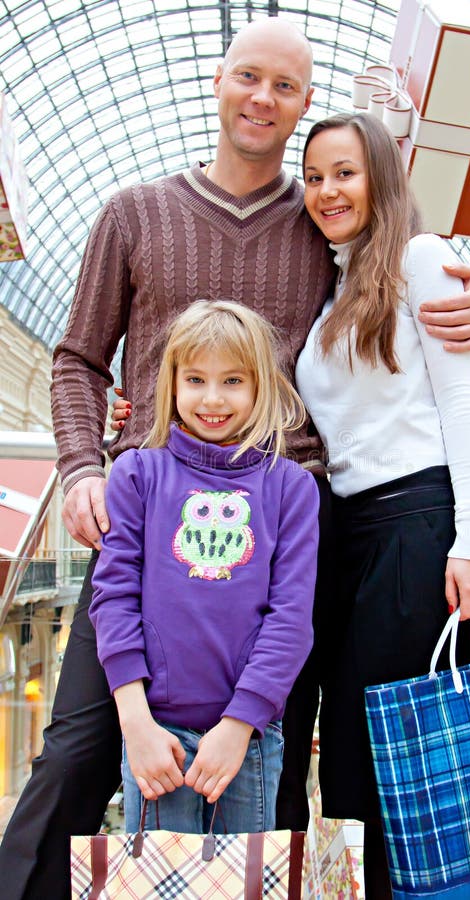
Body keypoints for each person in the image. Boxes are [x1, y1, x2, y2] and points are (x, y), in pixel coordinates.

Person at [0, 17, 470, 900]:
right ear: (219, 81)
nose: (263, 99)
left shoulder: (321, 227)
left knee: (272, 760)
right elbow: (78, 359)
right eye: (248, 77)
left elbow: (395, 274)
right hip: (147, 517)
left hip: (285, 527)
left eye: (286, 87)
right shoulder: (133, 213)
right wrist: (81, 466)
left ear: (305, 105)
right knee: (79, 748)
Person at [294, 112, 470, 899]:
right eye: (314, 176)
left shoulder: (421, 258)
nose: (327, 191)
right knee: (347, 752)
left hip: (416, 527)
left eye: (344, 172)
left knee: (398, 759)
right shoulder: (335, 287)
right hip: (347, 535)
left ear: (381, 174)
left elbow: (461, 405)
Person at [88, 299, 318, 834]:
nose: (212, 399)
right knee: (155, 878)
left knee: (241, 877)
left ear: (261, 386)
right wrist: (135, 723)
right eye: (195, 379)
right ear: (172, 384)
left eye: (233, 380)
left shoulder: (291, 489)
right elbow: (113, 599)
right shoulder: (137, 475)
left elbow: (290, 620)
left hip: (248, 741)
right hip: (154, 737)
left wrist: (240, 723)